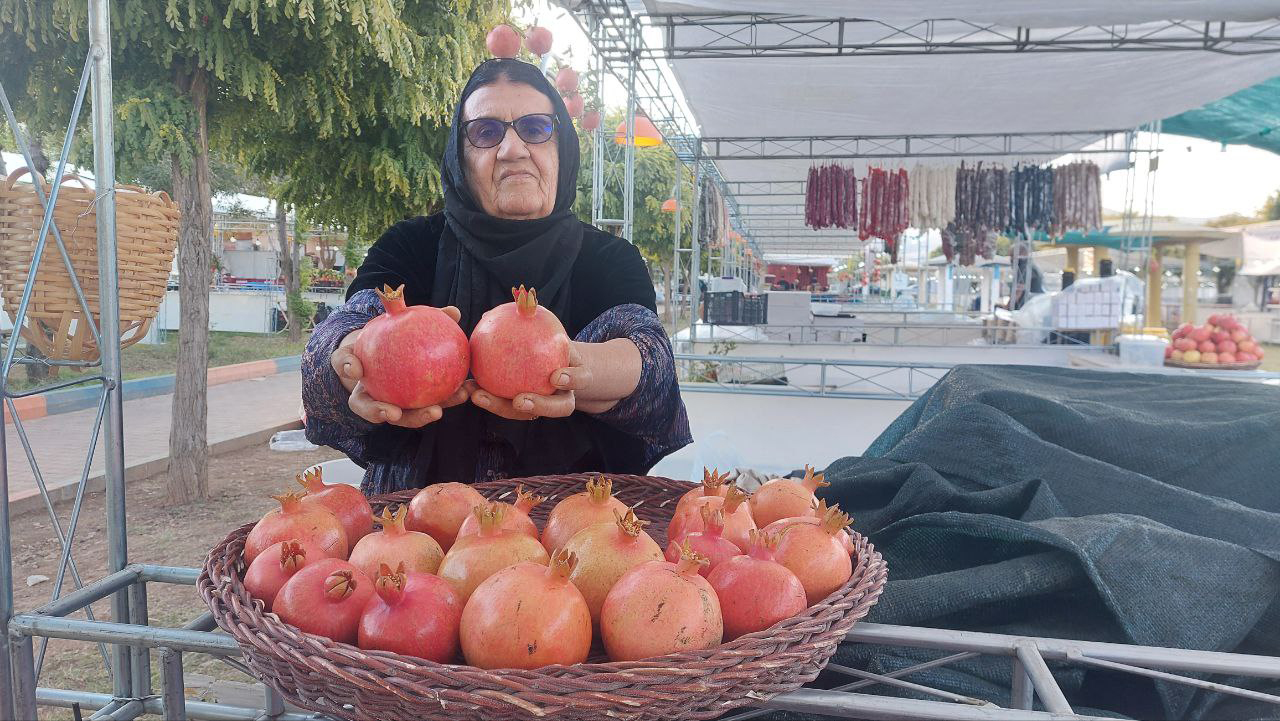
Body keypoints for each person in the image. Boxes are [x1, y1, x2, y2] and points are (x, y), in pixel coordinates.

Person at [301, 58, 692, 494]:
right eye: (486, 132)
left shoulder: (609, 257)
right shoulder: (412, 245)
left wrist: (565, 366)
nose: (512, 149)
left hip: (579, 519)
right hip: (414, 518)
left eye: (535, 128)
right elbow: (346, 329)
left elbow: (651, 361)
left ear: (561, 147)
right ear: (460, 156)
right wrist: (355, 359)